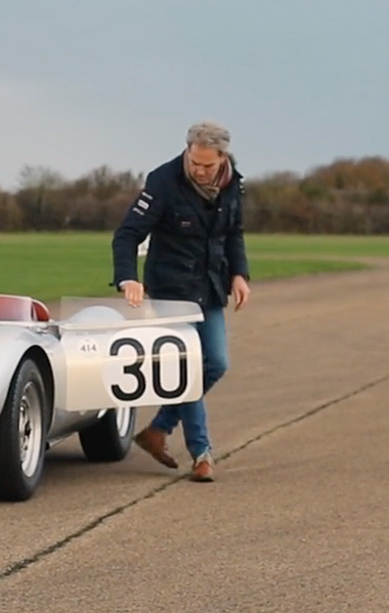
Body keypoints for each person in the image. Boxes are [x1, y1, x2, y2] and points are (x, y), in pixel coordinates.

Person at [110, 120, 251, 482]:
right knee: (188, 368)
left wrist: (239, 274)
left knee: (216, 363)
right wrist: (128, 278)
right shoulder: (163, 182)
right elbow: (127, 235)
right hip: (172, 289)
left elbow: (233, 231)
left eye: (207, 165)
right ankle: (202, 454)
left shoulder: (234, 183)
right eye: (193, 162)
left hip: (211, 286)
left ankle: (159, 428)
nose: (198, 170)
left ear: (223, 158)